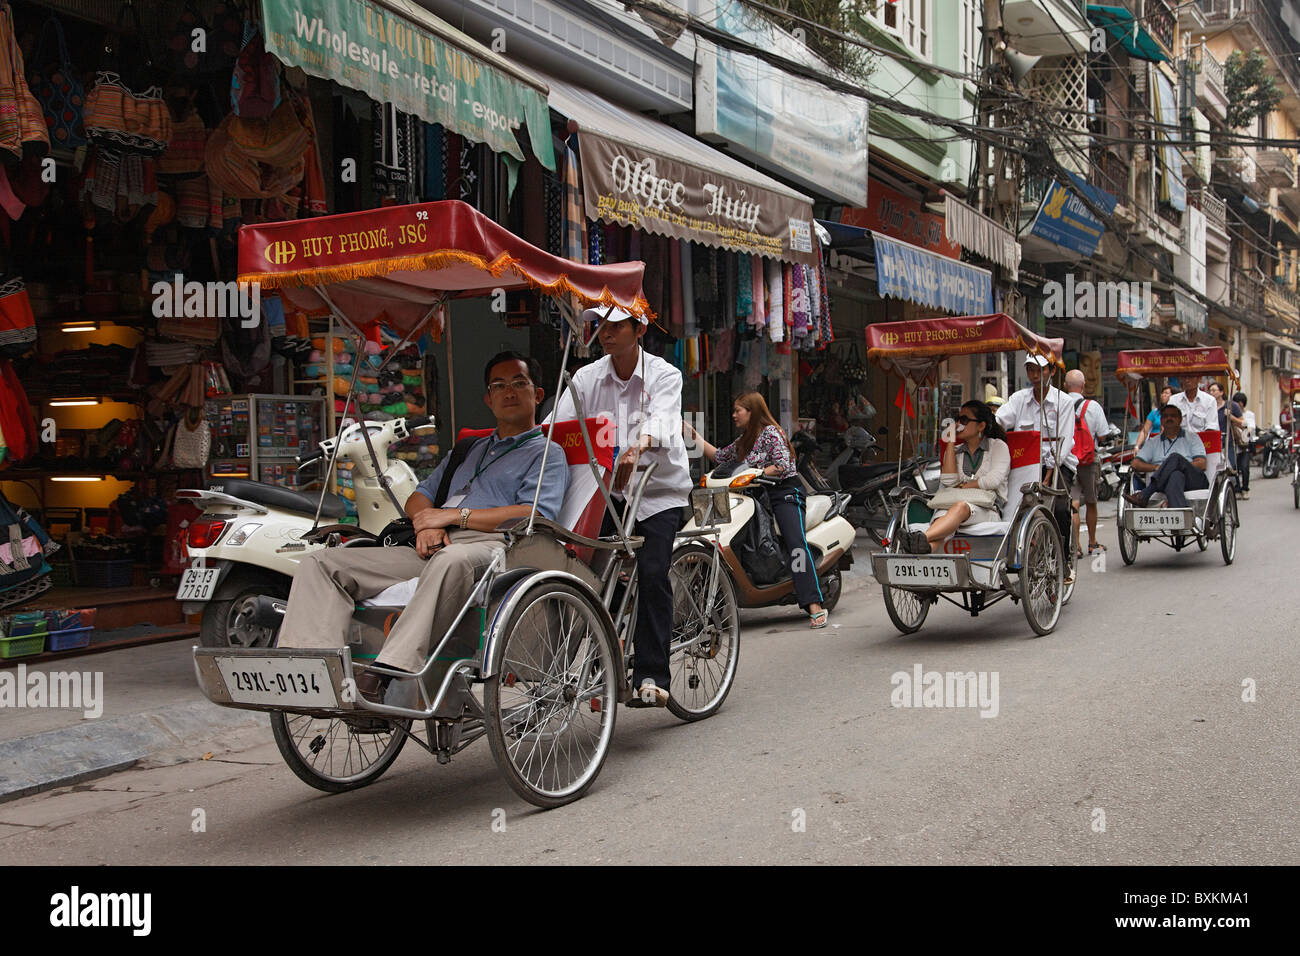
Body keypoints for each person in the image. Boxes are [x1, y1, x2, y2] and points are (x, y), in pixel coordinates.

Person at [276, 352, 569, 702]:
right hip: (430, 541)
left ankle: (386, 673)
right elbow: (420, 496)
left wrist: (450, 518)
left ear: (537, 395)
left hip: (493, 546)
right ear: (488, 399)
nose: (509, 392)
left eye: (518, 384)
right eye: (499, 386)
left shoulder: (547, 452)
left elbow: (532, 513)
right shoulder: (467, 450)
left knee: (452, 560)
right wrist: (425, 524)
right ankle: (309, 672)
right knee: (322, 563)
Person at [549, 305, 692, 708]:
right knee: (589, 570)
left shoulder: (664, 374)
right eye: (600, 326)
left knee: (651, 570)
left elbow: (663, 421)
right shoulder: (586, 377)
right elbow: (557, 428)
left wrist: (638, 446)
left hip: (658, 491)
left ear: (639, 328)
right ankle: (603, 664)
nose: (606, 334)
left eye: (615, 326)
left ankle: (653, 674)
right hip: (607, 493)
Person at [687, 393, 830, 628]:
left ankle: (813, 603)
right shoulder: (744, 440)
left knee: (796, 544)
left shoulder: (771, 434)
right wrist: (693, 436)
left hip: (783, 493)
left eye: (738, 410)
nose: (733, 415)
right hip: (755, 495)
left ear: (752, 412)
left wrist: (758, 473)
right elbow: (719, 456)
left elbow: (783, 465)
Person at [996, 353, 1075, 581]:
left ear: (1050, 371)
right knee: (1006, 504)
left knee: (1058, 507)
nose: (1035, 375)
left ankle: (1063, 562)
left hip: (1057, 465)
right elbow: (1002, 420)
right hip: (1025, 464)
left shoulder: (1064, 402)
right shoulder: (1019, 398)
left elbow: (1065, 441)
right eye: (1030, 370)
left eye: (1039, 370)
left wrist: (1049, 473)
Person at [901, 400, 1009, 554]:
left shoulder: (997, 446)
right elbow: (949, 482)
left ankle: (920, 538)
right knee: (942, 517)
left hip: (986, 508)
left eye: (964, 420)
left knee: (960, 507)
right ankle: (923, 546)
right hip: (951, 507)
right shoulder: (956, 450)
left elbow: (992, 481)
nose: (958, 423)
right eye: (957, 419)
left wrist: (962, 486)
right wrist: (950, 443)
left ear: (981, 426)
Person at [1125, 404, 1208, 510]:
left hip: (1193, 479)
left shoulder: (1192, 437)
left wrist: (1177, 465)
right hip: (1167, 481)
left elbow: (1202, 463)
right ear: (1161, 420)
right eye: (1165, 416)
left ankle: (1146, 493)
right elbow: (1135, 464)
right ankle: (1180, 519)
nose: (1169, 418)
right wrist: (1158, 468)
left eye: (1173, 416)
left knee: (1175, 459)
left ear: (1180, 419)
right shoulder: (1153, 442)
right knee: (1175, 475)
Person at [1064, 369, 1109, 557]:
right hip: (1089, 461)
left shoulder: (1059, 404)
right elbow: (1103, 434)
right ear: (1083, 386)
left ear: (1065, 386)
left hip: (1067, 460)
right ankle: (1092, 542)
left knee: (1072, 502)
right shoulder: (1093, 406)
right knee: (1091, 502)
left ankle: (1076, 546)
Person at [1137, 386, 1173, 451]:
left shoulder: (1176, 413)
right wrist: (1137, 446)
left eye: (1166, 393)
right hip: (1154, 445)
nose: (1163, 395)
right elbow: (1144, 431)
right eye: (1162, 393)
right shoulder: (1154, 412)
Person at [1233, 392, 1254, 499]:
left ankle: (1245, 488)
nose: (1238, 404)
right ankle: (1237, 489)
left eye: (1240, 402)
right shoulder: (1230, 413)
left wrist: (1235, 420)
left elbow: (1249, 427)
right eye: (1236, 402)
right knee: (1234, 468)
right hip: (1233, 445)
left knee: (1245, 468)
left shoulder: (1249, 414)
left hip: (1244, 445)